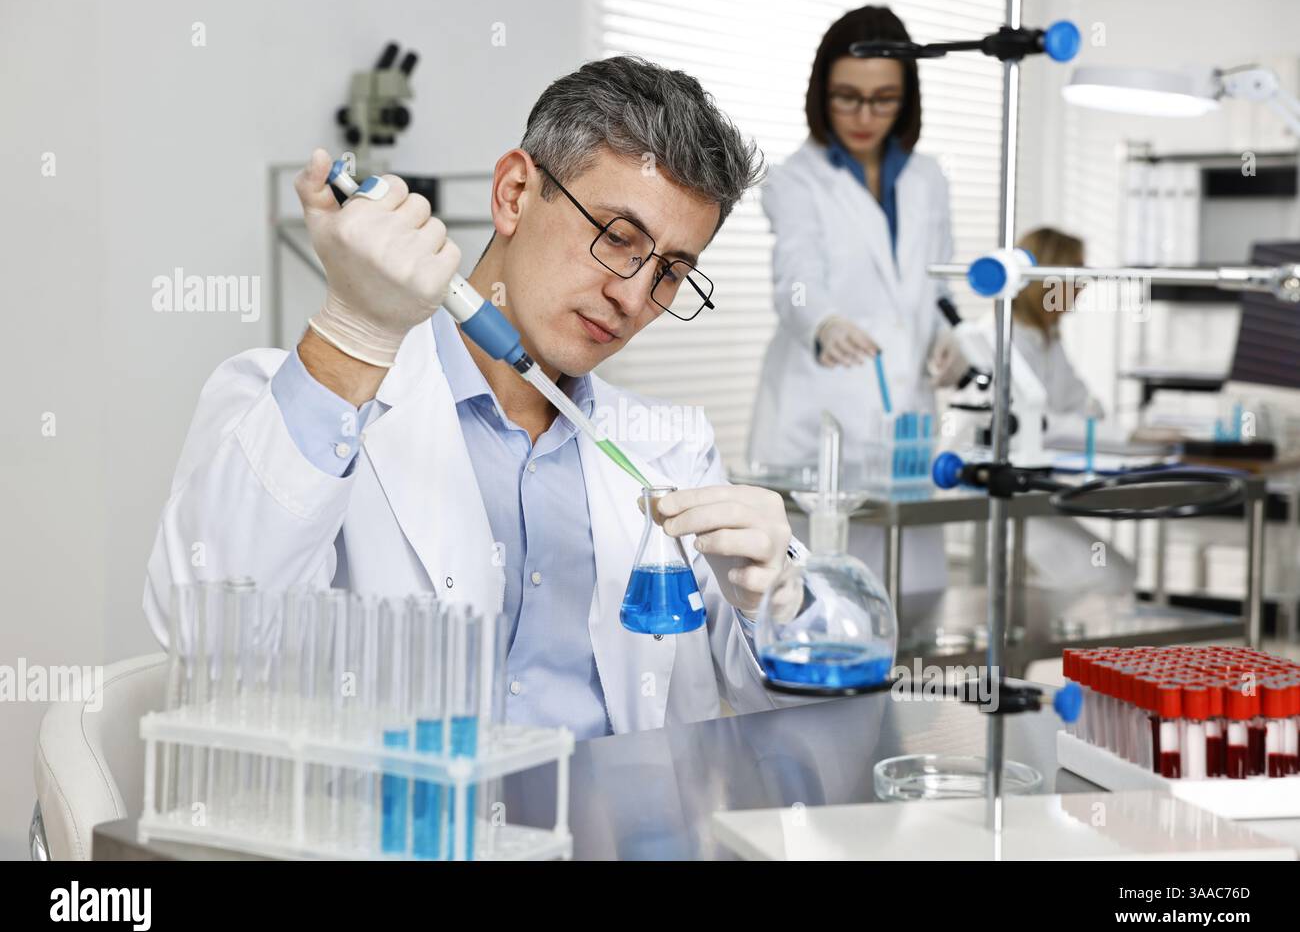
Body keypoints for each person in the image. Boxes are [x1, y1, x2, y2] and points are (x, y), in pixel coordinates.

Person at [144, 56, 823, 739]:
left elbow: (798, 711)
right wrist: (353, 332)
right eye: (618, 238)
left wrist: (774, 601)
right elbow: (207, 637)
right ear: (514, 193)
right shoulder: (300, 408)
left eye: (672, 272)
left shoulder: (665, 449)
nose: (634, 296)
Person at [747, 5, 965, 594]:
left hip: (905, 422)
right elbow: (795, 276)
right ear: (821, 93)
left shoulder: (929, 178)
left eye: (883, 99)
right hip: (820, 418)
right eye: (847, 97)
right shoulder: (796, 179)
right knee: (812, 599)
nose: (864, 115)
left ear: (907, 97)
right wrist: (823, 322)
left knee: (911, 598)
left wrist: (953, 337)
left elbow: (939, 284)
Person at [1001, 226, 1136, 593]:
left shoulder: (1049, 339)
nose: (1085, 283)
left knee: (1120, 571)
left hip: (1041, 493)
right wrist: (1128, 436)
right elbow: (1038, 425)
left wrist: (1106, 428)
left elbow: (1085, 406)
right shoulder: (1005, 337)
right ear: (1048, 277)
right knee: (1111, 575)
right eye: (1076, 271)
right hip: (1009, 503)